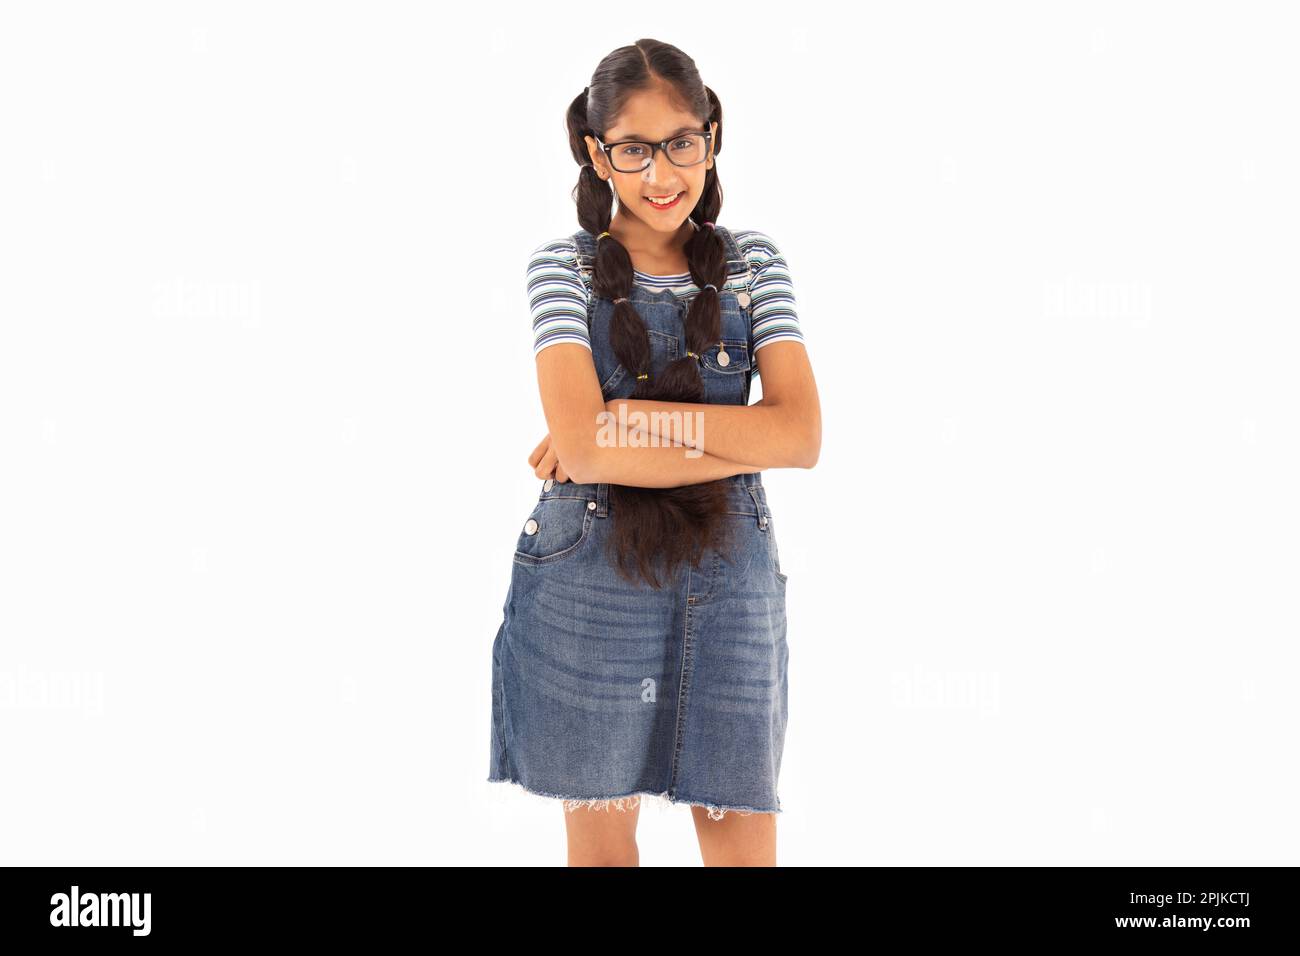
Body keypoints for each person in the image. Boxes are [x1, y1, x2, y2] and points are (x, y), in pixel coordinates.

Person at [488, 38, 821, 867]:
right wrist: (730, 439)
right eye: (634, 150)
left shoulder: (752, 265)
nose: (662, 173)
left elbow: (800, 436)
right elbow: (581, 448)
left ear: (712, 137)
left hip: (730, 577)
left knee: (744, 838)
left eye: (683, 142)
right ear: (598, 153)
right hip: (588, 576)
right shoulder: (560, 269)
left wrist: (624, 419)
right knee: (602, 853)